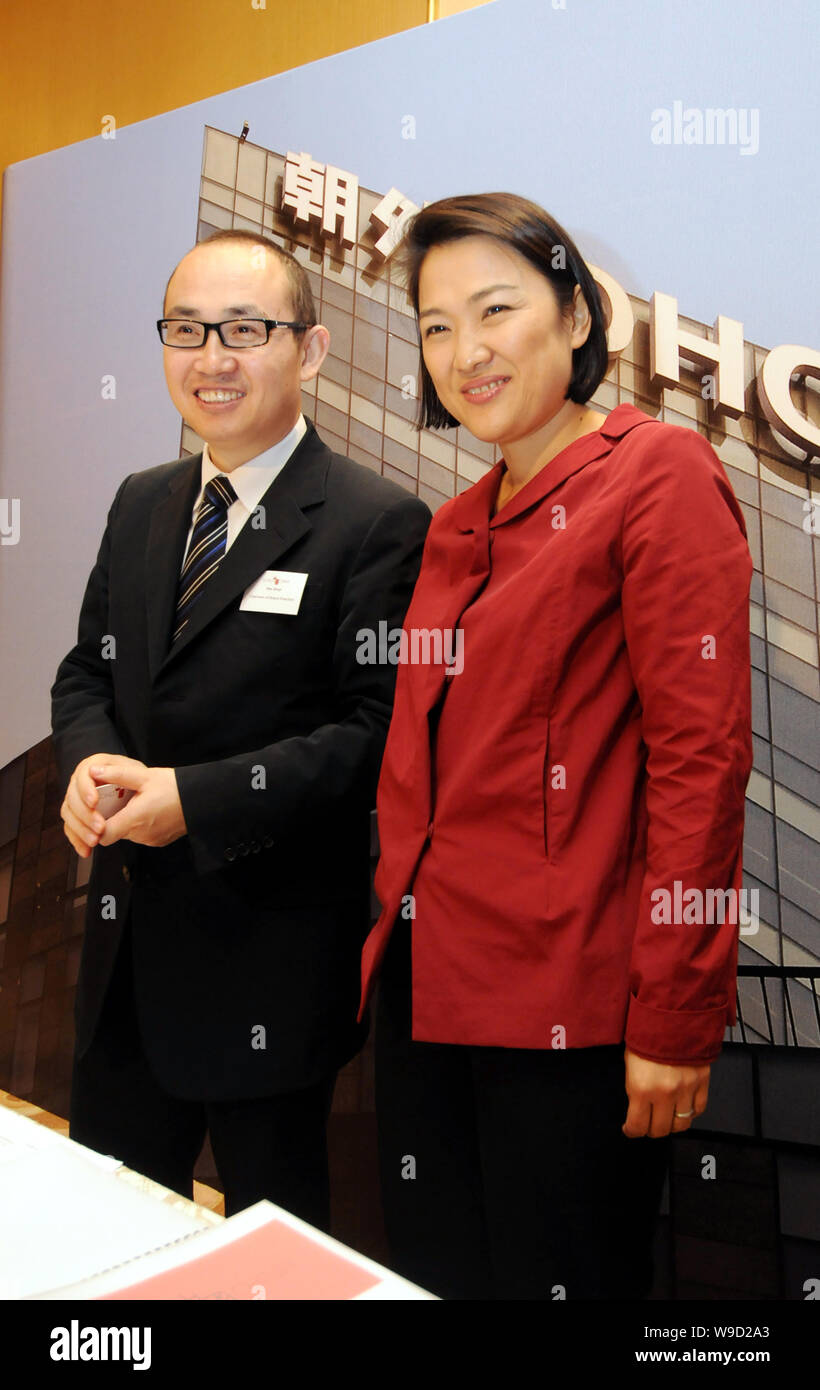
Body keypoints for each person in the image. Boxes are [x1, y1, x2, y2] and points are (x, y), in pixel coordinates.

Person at [359, 193, 753, 1299]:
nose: (464, 350)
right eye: (436, 325)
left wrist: (676, 1014)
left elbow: (701, 764)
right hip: (424, 994)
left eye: (495, 309)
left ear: (575, 317)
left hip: (568, 1016)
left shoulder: (658, 473)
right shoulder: (454, 523)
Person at [52, 229, 431, 1226]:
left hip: (269, 976)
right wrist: (89, 757)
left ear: (308, 349)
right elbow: (88, 666)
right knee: (116, 1244)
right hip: (123, 969)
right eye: (186, 329)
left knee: (276, 1257)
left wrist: (198, 801)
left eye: (245, 330)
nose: (211, 358)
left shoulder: (375, 522)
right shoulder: (142, 502)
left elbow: (373, 731)